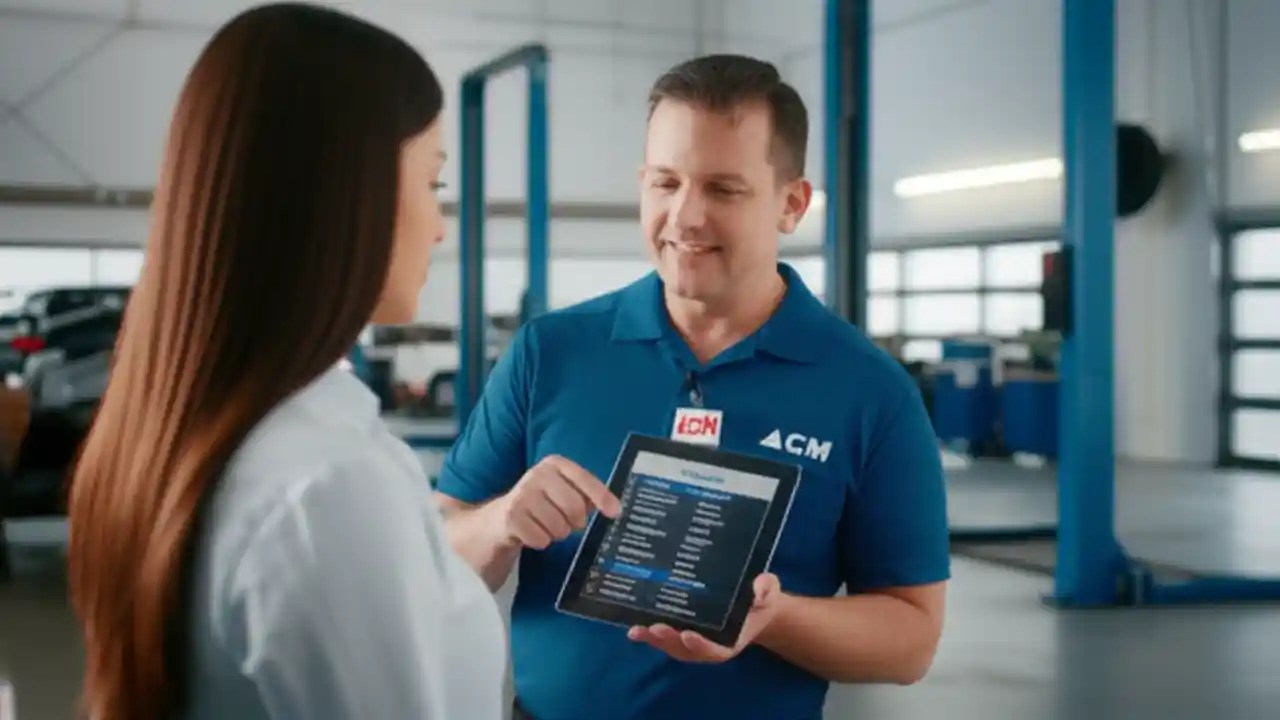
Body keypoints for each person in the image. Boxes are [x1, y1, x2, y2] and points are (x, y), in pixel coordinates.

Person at [435, 54, 950, 720]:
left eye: (723, 189)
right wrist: (499, 522)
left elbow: (910, 640)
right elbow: (440, 551)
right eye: (666, 182)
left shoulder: (871, 392)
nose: (684, 217)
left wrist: (774, 618)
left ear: (792, 203)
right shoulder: (550, 352)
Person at [65, 5, 505, 719]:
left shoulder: (167, 442)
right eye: (433, 183)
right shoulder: (331, 486)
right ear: (346, 197)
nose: (440, 223)